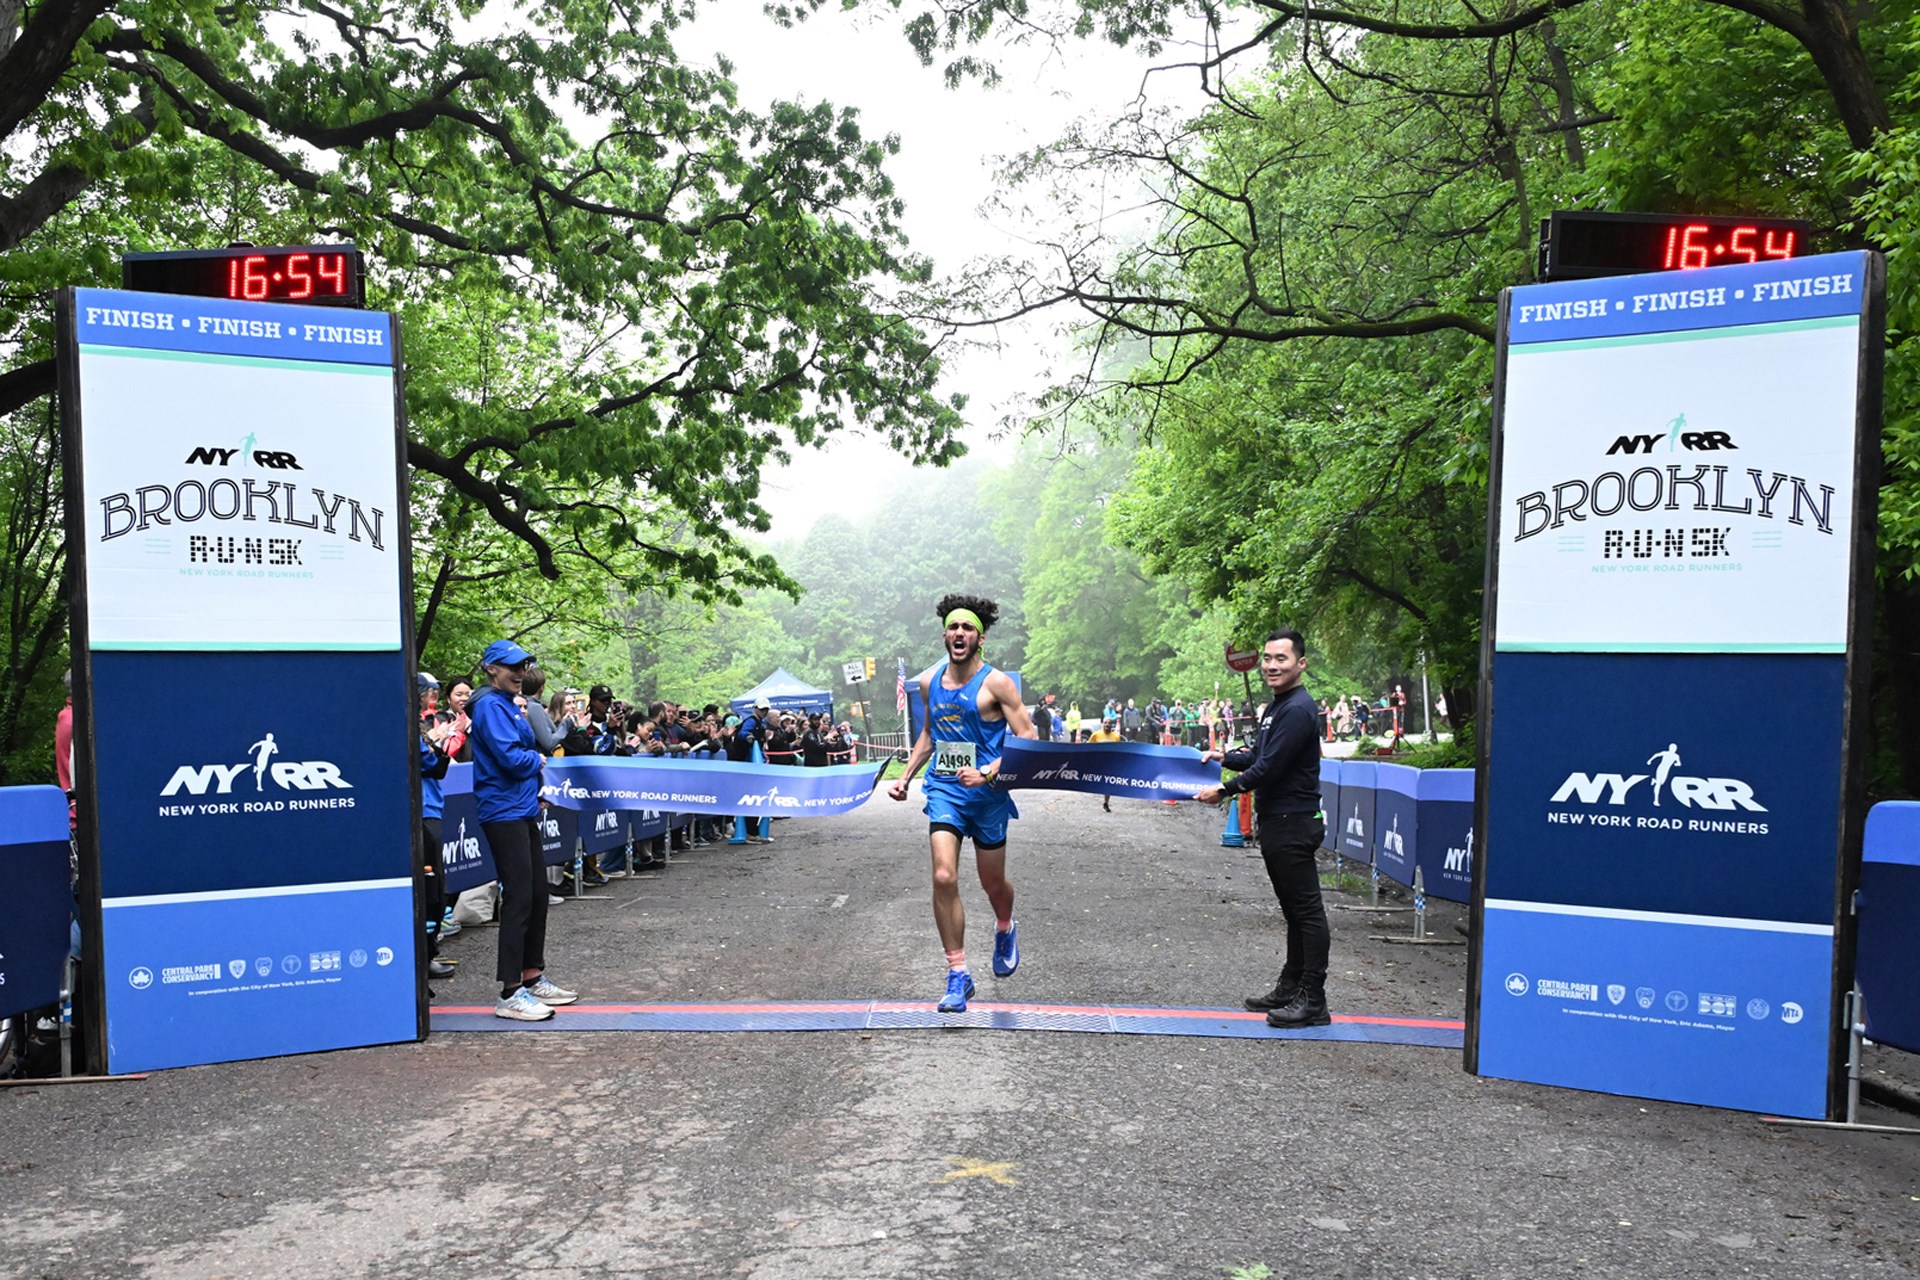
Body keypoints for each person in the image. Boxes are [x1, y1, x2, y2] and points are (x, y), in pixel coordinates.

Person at [887, 594, 1037, 1013]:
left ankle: (1005, 926)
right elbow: (929, 736)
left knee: (993, 885)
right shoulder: (928, 682)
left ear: (980, 638)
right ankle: (958, 974)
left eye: (967, 628)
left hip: (988, 795)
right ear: (944, 635)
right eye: (953, 627)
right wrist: (904, 778)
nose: (959, 634)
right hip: (945, 789)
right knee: (942, 874)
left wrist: (989, 773)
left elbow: (1027, 738)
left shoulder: (997, 684)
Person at [1196, 629, 1331, 1029]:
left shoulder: (1298, 709)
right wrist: (1225, 756)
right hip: (1278, 821)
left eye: (1282, 659)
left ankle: (1314, 998)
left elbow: (1269, 768)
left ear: (1300, 664)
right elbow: (1260, 755)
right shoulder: (1278, 706)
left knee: (1307, 912)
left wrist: (1224, 789)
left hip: (1294, 821)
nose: (1272, 665)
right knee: (1293, 912)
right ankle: (1291, 986)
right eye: (1268, 659)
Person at [468, 639, 578, 1022]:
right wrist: (538, 759)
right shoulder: (489, 706)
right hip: (502, 812)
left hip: (521, 807)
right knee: (518, 898)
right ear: (491, 669)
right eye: (511, 666)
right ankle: (509, 992)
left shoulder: (508, 705)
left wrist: (537, 790)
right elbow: (513, 759)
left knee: (535, 894)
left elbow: (520, 760)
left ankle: (532, 977)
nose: (520, 672)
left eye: (523, 665)